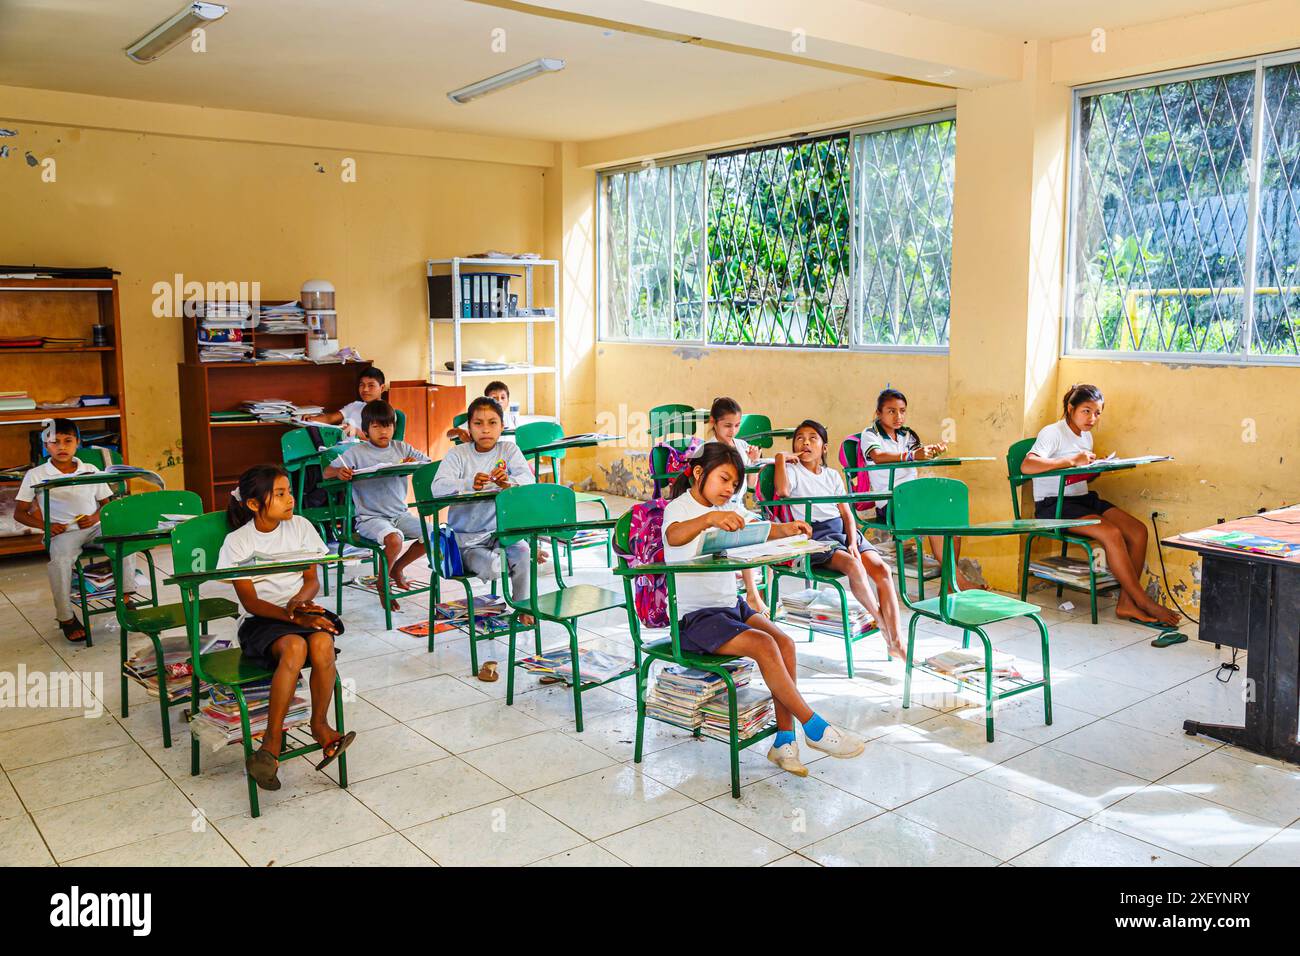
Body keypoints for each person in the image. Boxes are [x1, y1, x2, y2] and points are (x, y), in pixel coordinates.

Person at [663, 441, 865, 776]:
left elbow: (759, 528)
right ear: (699, 473)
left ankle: (784, 741)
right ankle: (813, 726)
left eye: (734, 484)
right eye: (724, 479)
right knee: (765, 644)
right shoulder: (680, 509)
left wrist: (787, 529)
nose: (730, 489)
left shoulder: (730, 508)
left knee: (784, 642)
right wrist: (710, 518)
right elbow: (674, 536)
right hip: (693, 619)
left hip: (730, 607)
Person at [218, 464, 354, 790]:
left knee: (321, 644)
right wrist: (293, 617)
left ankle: (321, 726)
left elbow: (310, 580)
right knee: (295, 646)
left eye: (289, 491)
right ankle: (272, 741)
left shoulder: (301, 527)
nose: (290, 499)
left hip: (298, 612)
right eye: (279, 494)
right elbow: (251, 603)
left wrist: (300, 603)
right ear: (253, 504)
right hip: (260, 621)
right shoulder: (238, 542)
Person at [1020, 383, 1180, 627]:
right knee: (1112, 533)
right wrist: (1071, 460)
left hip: (1082, 498)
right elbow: (1027, 466)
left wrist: (1097, 468)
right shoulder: (1052, 432)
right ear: (1070, 408)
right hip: (1055, 504)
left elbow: (1078, 474)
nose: (1092, 418)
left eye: (1097, 413)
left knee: (1138, 531)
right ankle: (1144, 601)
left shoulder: (1087, 436)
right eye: (1086, 411)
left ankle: (1127, 603)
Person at [774, 419, 905, 658]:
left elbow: (847, 513)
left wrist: (853, 542)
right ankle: (881, 624)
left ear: (824, 447)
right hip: (815, 535)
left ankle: (897, 641)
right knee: (854, 565)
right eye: (800, 438)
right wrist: (781, 459)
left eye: (813, 438)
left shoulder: (832, 475)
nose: (805, 442)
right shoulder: (793, 472)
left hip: (843, 531)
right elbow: (782, 492)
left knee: (883, 570)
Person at [12, 419, 139, 643]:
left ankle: (124, 596)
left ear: (77, 443)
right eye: (54, 442)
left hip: (94, 528)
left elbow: (106, 505)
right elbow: (20, 513)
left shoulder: (90, 470)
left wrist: (94, 517)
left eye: (67, 441)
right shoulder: (36, 474)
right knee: (59, 562)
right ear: (46, 445)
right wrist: (47, 526)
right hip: (64, 533)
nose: (61, 447)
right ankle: (66, 618)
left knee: (125, 541)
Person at [429, 395, 536, 620]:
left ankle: (523, 608)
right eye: (478, 423)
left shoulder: (509, 451)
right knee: (495, 567)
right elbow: (437, 488)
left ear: (502, 426)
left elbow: (529, 481)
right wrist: (468, 483)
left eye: (492, 423)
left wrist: (509, 482)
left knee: (524, 553)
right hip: (467, 541)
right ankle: (499, 559)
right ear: (469, 427)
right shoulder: (458, 454)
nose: (485, 429)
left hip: (501, 534)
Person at [861, 387, 974, 590]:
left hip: (917, 498)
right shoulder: (870, 434)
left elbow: (918, 453)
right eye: (891, 411)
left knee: (953, 522)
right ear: (878, 413)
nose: (898, 416)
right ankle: (957, 582)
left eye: (902, 411)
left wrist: (932, 451)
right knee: (936, 522)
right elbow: (877, 457)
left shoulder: (907, 435)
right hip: (893, 503)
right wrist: (911, 456)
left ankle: (951, 582)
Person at [323, 400, 430, 606]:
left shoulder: (401, 448)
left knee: (434, 534)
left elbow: (427, 462)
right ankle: (382, 582)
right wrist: (339, 472)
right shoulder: (357, 452)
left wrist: (414, 464)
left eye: (388, 425)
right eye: (377, 426)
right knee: (394, 540)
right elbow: (327, 472)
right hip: (370, 518)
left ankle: (397, 568)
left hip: (401, 515)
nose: (384, 431)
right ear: (366, 429)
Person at [308, 365, 385, 438]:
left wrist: (356, 432)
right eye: (362, 385)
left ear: (382, 388)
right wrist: (311, 419)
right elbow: (330, 418)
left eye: (371, 385)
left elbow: (379, 442)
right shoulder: (355, 405)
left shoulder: (385, 412)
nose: (365, 389)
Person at [446, 381, 517, 444]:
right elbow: (449, 434)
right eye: (494, 398)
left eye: (503, 398)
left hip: (508, 455)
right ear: (487, 402)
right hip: (488, 457)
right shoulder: (479, 418)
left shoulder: (512, 419)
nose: (499, 401)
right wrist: (459, 431)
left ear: (508, 402)